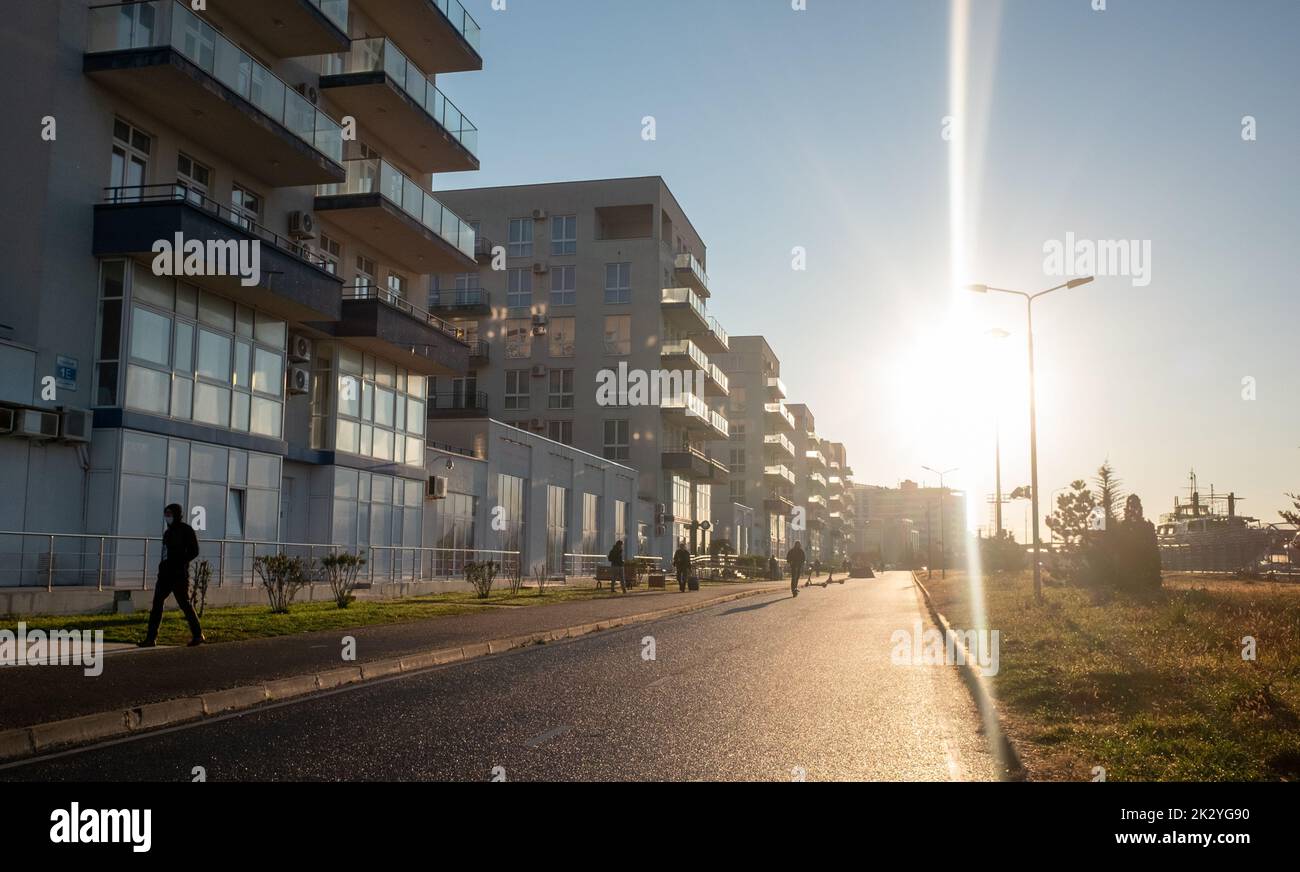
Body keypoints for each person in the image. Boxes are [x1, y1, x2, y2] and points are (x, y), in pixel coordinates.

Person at [140, 503, 204, 647]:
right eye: (166, 514)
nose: (167, 517)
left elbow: (194, 551)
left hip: (179, 574)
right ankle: (150, 638)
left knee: (185, 604)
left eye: (170, 514)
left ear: (177, 514)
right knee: (157, 604)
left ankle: (198, 634)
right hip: (165, 574)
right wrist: (162, 567)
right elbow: (164, 553)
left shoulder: (186, 530)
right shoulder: (167, 533)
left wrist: (180, 561)